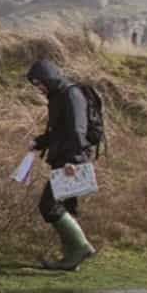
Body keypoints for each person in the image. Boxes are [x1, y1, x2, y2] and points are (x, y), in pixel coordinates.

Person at [27, 60, 97, 271]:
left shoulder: (70, 95)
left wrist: (72, 161)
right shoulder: (57, 96)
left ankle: (81, 248)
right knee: (66, 207)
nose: (39, 89)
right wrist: (39, 142)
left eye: (39, 83)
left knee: (48, 206)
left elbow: (78, 130)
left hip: (70, 161)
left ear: (48, 78)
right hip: (65, 158)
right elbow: (59, 131)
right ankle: (70, 260)